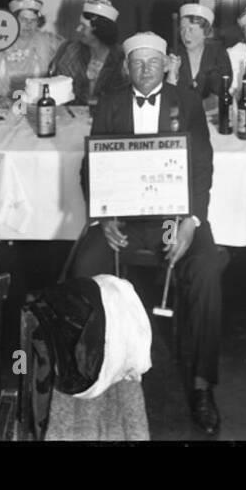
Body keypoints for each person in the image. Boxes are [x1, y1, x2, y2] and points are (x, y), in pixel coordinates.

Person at [73, 33, 223, 435]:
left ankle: (202, 386)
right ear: (126, 66)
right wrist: (104, 216)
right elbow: (92, 168)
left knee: (207, 270)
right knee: (86, 265)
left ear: (165, 65)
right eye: (137, 63)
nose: (145, 70)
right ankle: (93, 371)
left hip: (174, 217)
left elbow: (202, 168)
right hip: (125, 219)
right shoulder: (110, 102)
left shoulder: (187, 102)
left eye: (152, 63)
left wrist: (191, 222)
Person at [48, 0, 126, 105]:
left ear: (99, 30)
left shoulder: (122, 57)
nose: (78, 30)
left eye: (83, 26)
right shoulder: (71, 51)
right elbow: (59, 88)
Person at [166, 2, 231, 101]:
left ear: (205, 32)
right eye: (183, 29)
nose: (186, 35)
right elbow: (167, 97)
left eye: (191, 30)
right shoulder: (173, 54)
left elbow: (221, 89)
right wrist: (172, 75)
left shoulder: (218, 53)